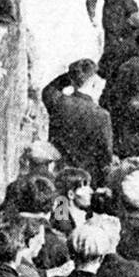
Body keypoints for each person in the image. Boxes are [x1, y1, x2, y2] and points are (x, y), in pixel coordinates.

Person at [41, 59, 114, 187]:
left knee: (60, 201)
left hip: (59, 169)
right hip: (86, 176)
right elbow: (106, 156)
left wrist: (72, 77)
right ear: (93, 82)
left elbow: (49, 88)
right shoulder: (102, 116)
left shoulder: (58, 101)